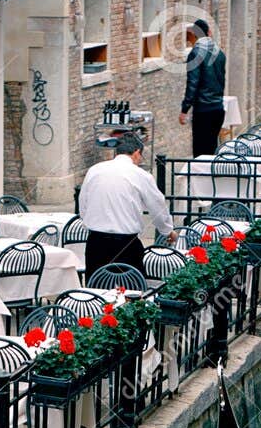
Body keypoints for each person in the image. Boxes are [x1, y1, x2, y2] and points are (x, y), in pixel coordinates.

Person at [77, 133, 172, 279]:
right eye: (141, 156)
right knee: (131, 291)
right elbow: (157, 206)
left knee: (97, 291)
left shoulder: (94, 170)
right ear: (137, 153)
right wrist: (167, 231)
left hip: (96, 243)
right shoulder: (141, 175)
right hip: (126, 244)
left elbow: (83, 205)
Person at [179, 20, 228, 156]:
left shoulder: (196, 53)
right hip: (218, 108)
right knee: (211, 149)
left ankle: (200, 176)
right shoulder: (220, 53)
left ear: (194, 35)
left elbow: (192, 84)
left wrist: (184, 109)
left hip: (203, 110)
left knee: (200, 152)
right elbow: (221, 81)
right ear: (209, 32)